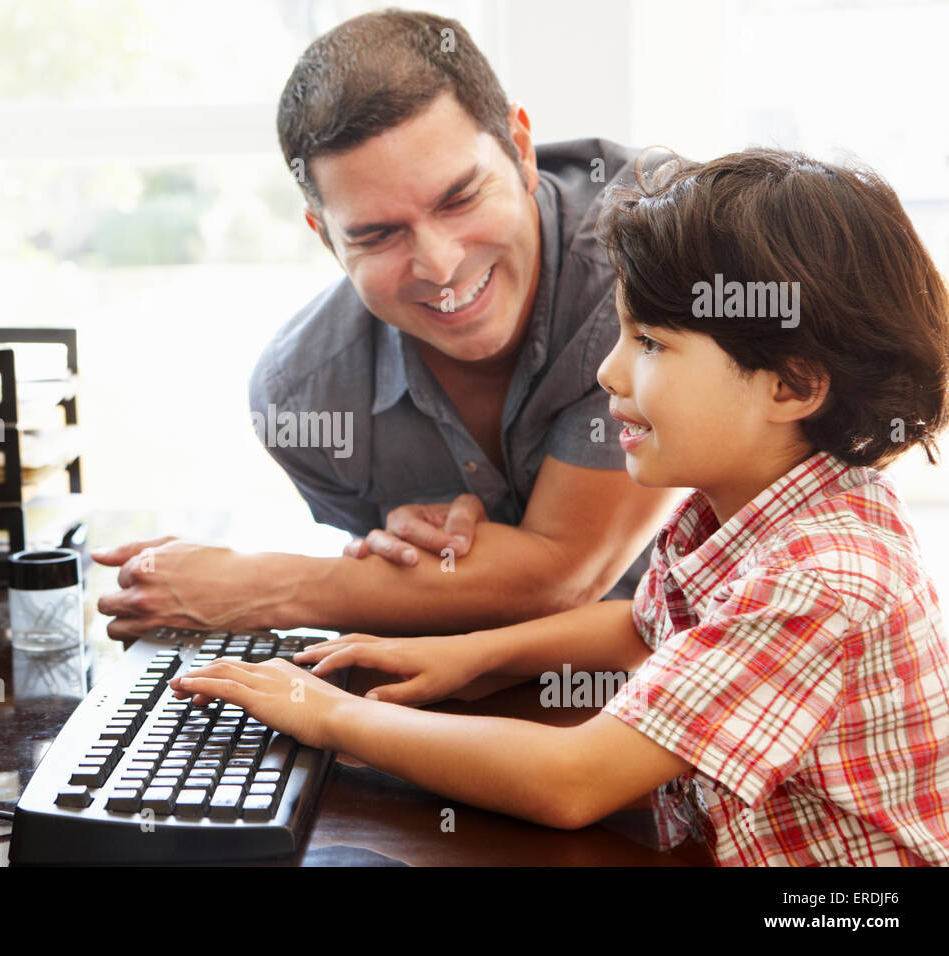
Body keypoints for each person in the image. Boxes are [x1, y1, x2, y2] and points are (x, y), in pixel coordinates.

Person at [170, 148, 949, 865]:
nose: (610, 372)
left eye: (650, 344)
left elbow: (572, 781)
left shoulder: (822, 577)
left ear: (791, 385)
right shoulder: (745, 509)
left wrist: (328, 717)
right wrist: (472, 653)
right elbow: (645, 623)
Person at [94, 10, 680, 641]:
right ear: (325, 237)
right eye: (377, 233)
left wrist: (260, 585)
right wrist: (414, 559)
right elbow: (406, 597)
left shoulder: (661, 252)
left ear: (521, 148)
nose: (440, 264)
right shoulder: (302, 399)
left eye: (459, 199)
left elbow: (562, 576)